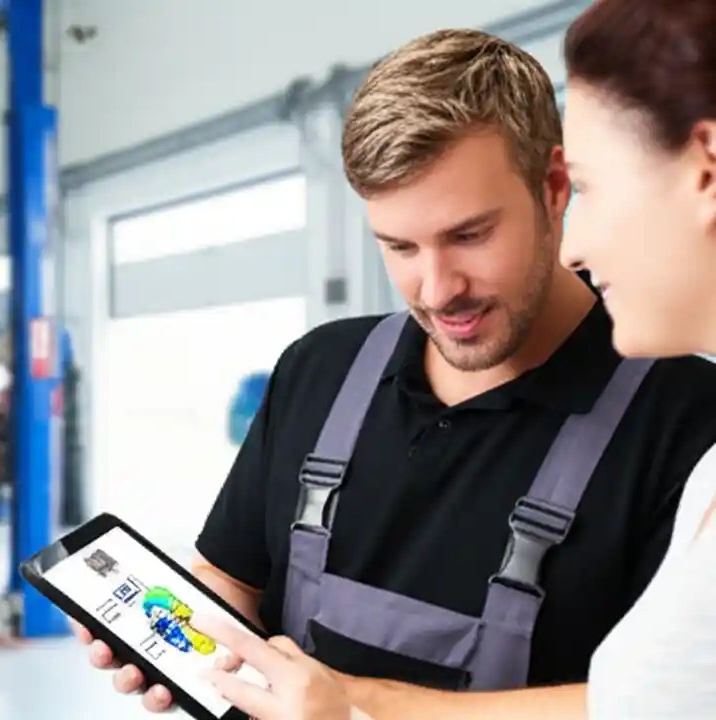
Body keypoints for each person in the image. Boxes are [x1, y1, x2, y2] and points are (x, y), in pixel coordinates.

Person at [75, 25, 716, 720]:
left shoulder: (687, 425)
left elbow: (668, 702)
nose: (438, 289)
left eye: (470, 235)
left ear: (556, 188)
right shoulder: (320, 370)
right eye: (400, 245)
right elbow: (231, 575)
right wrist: (197, 646)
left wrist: (344, 706)